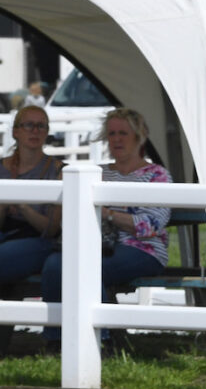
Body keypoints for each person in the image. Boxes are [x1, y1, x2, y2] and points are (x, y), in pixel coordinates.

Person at [40, 107, 173, 344]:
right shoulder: (97, 172)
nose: (117, 139)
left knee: (86, 270)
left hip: (143, 250)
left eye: (123, 133)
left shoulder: (157, 175)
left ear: (139, 136)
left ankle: (101, 340)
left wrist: (107, 213)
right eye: (112, 133)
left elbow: (149, 226)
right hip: (96, 246)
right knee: (54, 265)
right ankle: (54, 339)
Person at [0, 105, 63, 286]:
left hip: (39, 240)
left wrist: (22, 205)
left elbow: (50, 230)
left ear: (47, 133)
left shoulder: (58, 170)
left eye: (41, 126)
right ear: (16, 132)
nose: (35, 131)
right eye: (28, 125)